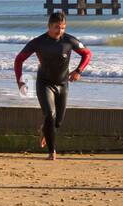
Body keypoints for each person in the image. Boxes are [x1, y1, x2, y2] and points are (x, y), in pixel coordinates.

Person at [13, 10, 92, 161]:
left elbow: (87, 54)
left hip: (63, 84)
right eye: (56, 27)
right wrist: (20, 81)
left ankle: (45, 130)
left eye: (63, 27)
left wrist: (78, 70)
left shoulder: (69, 40)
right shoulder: (38, 42)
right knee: (50, 114)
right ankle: (52, 152)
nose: (60, 31)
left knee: (58, 122)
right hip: (44, 83)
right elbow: (19, 60)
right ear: (49, 26)